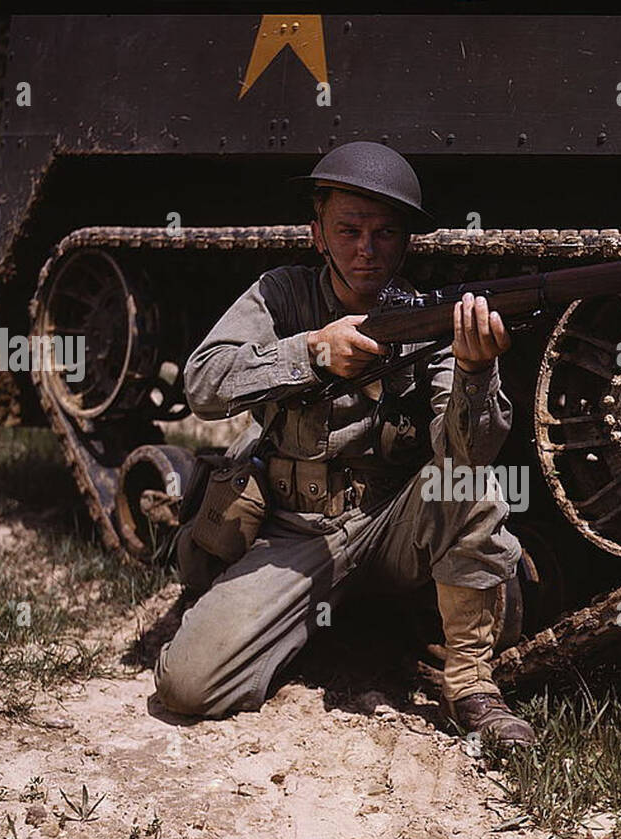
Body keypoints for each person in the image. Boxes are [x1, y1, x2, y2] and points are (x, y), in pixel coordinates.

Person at [153, 141, 536, 746]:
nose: (367, 249)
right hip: (291, 529)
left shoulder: (425, 316)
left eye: (385, 232)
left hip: (389, 525)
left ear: (406, 240)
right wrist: (309, 352)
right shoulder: (280, 296)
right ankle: (317, 619)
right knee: (187, 685)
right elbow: (203, 382)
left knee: (465, 482)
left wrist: (475, 375)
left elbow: (469, 452)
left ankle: (472, 688)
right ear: (318, 234)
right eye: (349, 230)